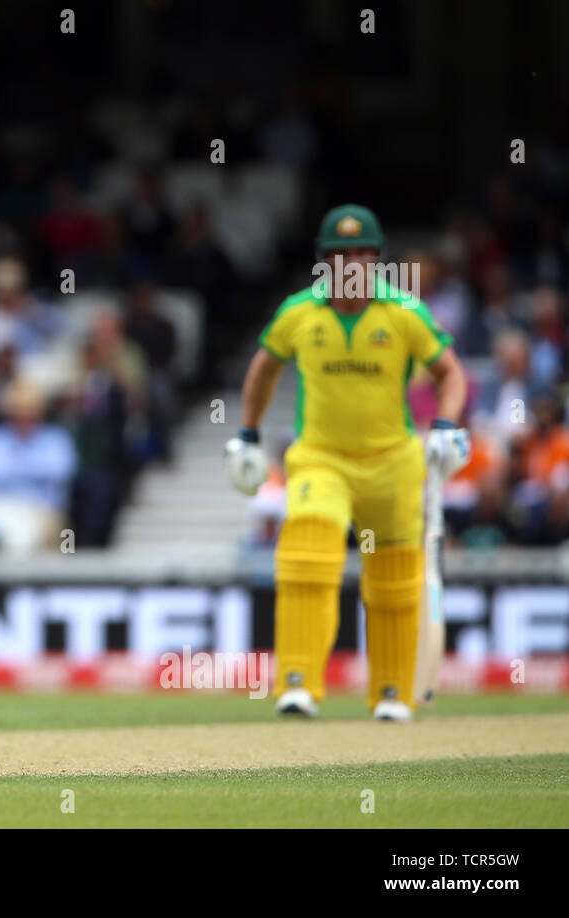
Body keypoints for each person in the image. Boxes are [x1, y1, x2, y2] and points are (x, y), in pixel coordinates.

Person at [224, 204, 469, 722]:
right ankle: (298, 684)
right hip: (321, 457)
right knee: (307, 550)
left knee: (396, 579)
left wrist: (446, 427)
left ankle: (392, 693)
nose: (351, 263)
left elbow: (450, 373)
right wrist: (247, 435)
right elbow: (263, 369)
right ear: (324, 260)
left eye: (361, 253)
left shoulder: (404, 312)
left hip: (393, 462)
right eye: (340, 254)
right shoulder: (300, 311)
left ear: (377, 258)